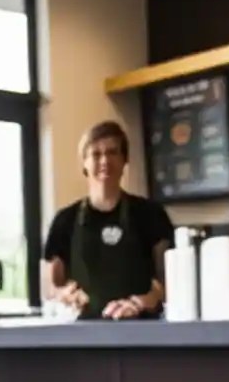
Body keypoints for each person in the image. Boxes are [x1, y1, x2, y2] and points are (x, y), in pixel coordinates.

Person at [42, 120, 174, 320]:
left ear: (124, 160)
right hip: (82, 336)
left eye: (112, 152)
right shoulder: (64, 220)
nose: (104, 161)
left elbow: (170, 280)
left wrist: (142, 302)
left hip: (143, 332)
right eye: (96, 154)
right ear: (84, 163)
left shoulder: (151, 214)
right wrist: (65, 295)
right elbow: (49, 287)